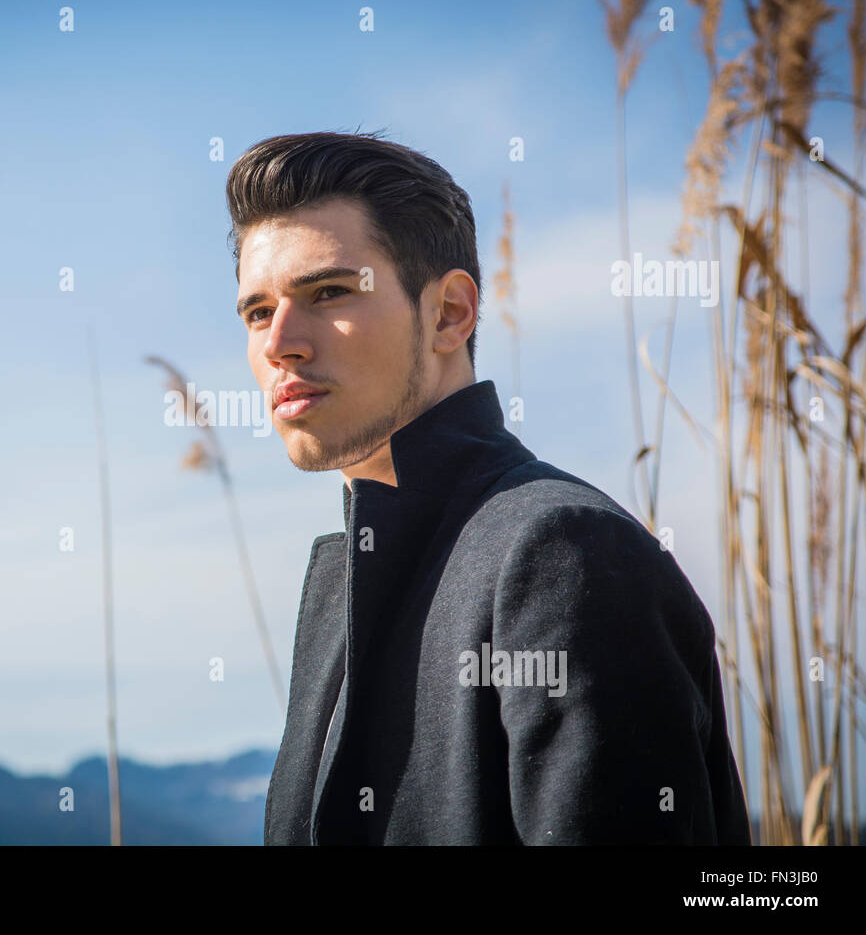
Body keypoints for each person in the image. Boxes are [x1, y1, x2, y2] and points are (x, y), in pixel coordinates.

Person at [227, 130, 751, 845]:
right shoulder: (338, 587)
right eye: (257, 311)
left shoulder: (563, 551)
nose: (280, 340)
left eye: (329, 292)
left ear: (449, 314)